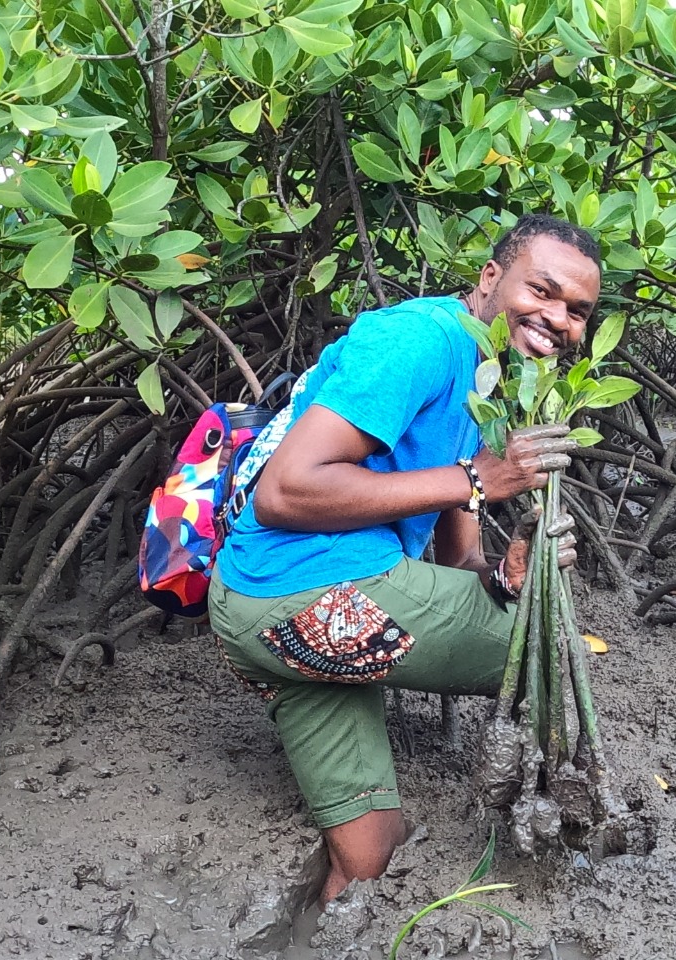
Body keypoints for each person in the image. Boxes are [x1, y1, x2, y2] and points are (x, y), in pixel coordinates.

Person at [209, 213, 603, 904]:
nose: (557, 318)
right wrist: (479, 480)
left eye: (577, 311)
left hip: (280, 621)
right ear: (490, 277)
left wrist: (507, 575)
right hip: (307, 594)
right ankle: (546, 836)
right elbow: (284, 491)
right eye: (541, 291)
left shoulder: (492, 383)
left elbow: (457, 565)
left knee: (368, 858)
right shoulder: (419, 340)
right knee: (546, 644)